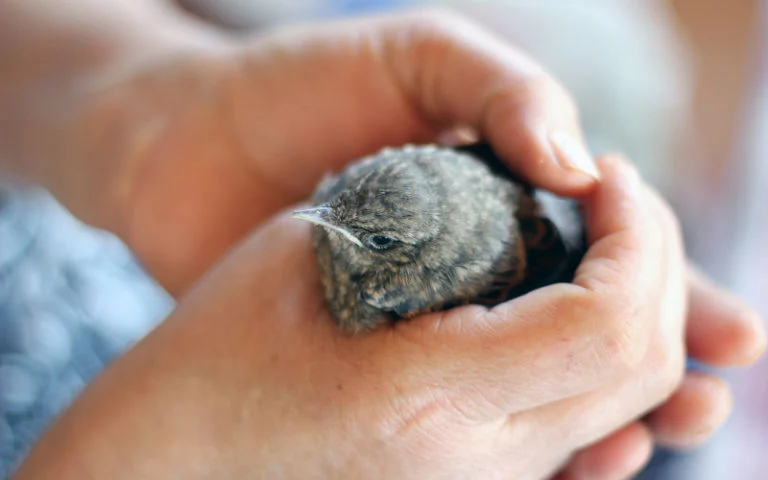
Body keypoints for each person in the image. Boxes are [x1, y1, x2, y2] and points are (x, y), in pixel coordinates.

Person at [1, 1, 765, 479]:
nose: (314, 222)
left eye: (354, 227)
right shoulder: (363, 234)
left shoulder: (412, 254)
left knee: (671, 409)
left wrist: (136, 105)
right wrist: (193, 446)